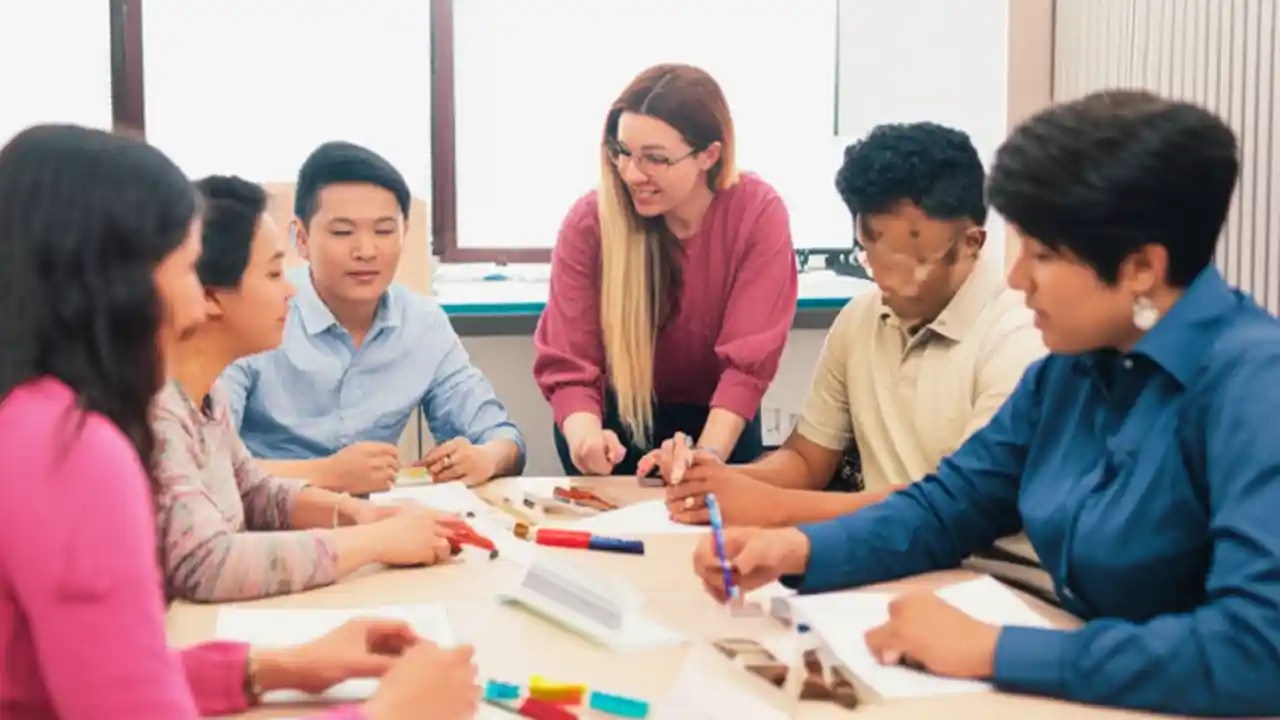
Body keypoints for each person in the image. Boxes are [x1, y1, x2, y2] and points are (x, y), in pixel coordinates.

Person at [692, 90, 1280, 717]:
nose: (1016, 276)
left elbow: (1257, 650)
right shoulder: (1070, 370)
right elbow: (948, 508)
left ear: (1140, 268)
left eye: (1044, 255)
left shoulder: (1254, 387)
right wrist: (799, 551)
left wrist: (996, 650)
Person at [0, 125, 479, 718]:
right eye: (187, 266)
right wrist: (392, 712)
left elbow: (106, 673)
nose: (197, 296)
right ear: (122, 281)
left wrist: (284, 667)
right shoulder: (73, 450)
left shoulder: (36, 417)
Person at [660, 123, 1046, 541]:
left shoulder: (1019, 339)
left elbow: (962, 506)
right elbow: (806, 461)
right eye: (868, 255)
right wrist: (718, 479)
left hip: (985, 577)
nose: (885, 280)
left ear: (972, 242)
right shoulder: (861, 318)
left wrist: (771, 508)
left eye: (911, 264)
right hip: (884, 555)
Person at [155, 175, 459, 603]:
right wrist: (375, 543)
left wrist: (362, 514)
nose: (291, 289)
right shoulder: (158, 411)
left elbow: (255, 490)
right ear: (209, 296)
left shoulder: (206, 396)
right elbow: (208, 563)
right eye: (274, 273)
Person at [533, 63, 798, 477]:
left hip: (719, 423)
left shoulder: (757, 213)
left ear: (709, 155)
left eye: (654, 159)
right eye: (622, 152)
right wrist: (586, 440)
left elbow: (747, 366)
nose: (631, 173)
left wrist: (707, 457)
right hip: (613, 429)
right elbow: (569, 363)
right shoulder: (590, 222)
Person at [221, 141, 523, 493]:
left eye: (383, 231)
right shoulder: (260, 314)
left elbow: (502, 437)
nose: (366, 251)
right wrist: (327, 474)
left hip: (381, 523)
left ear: (405, 233)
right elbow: (205, 462)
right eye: (343, 232)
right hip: (267, 522)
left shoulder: (423, 323)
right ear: (300, 238)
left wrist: (486, 457)